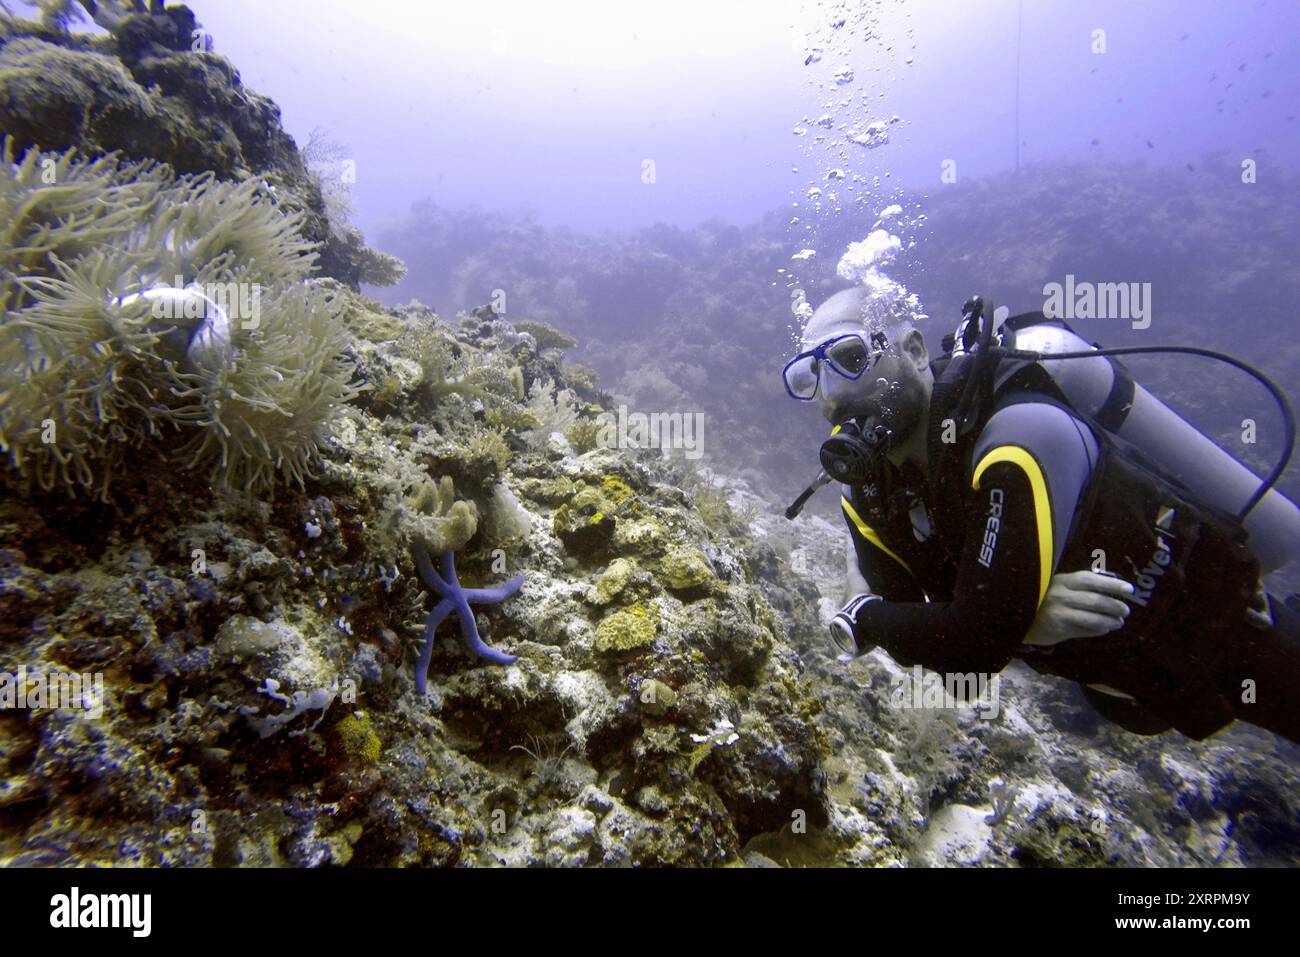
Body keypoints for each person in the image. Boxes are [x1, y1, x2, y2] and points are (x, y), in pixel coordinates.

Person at [785, 286, 1300, 744]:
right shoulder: (867, 486)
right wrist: (1001, 620)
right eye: (808, 375)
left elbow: (966, 646)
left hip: (1238, 639)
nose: (831, 395)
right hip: (1126, 685)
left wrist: (864, 616)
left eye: (850, 356)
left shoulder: (1021, 433)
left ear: (915, 349)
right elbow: (934, 653)